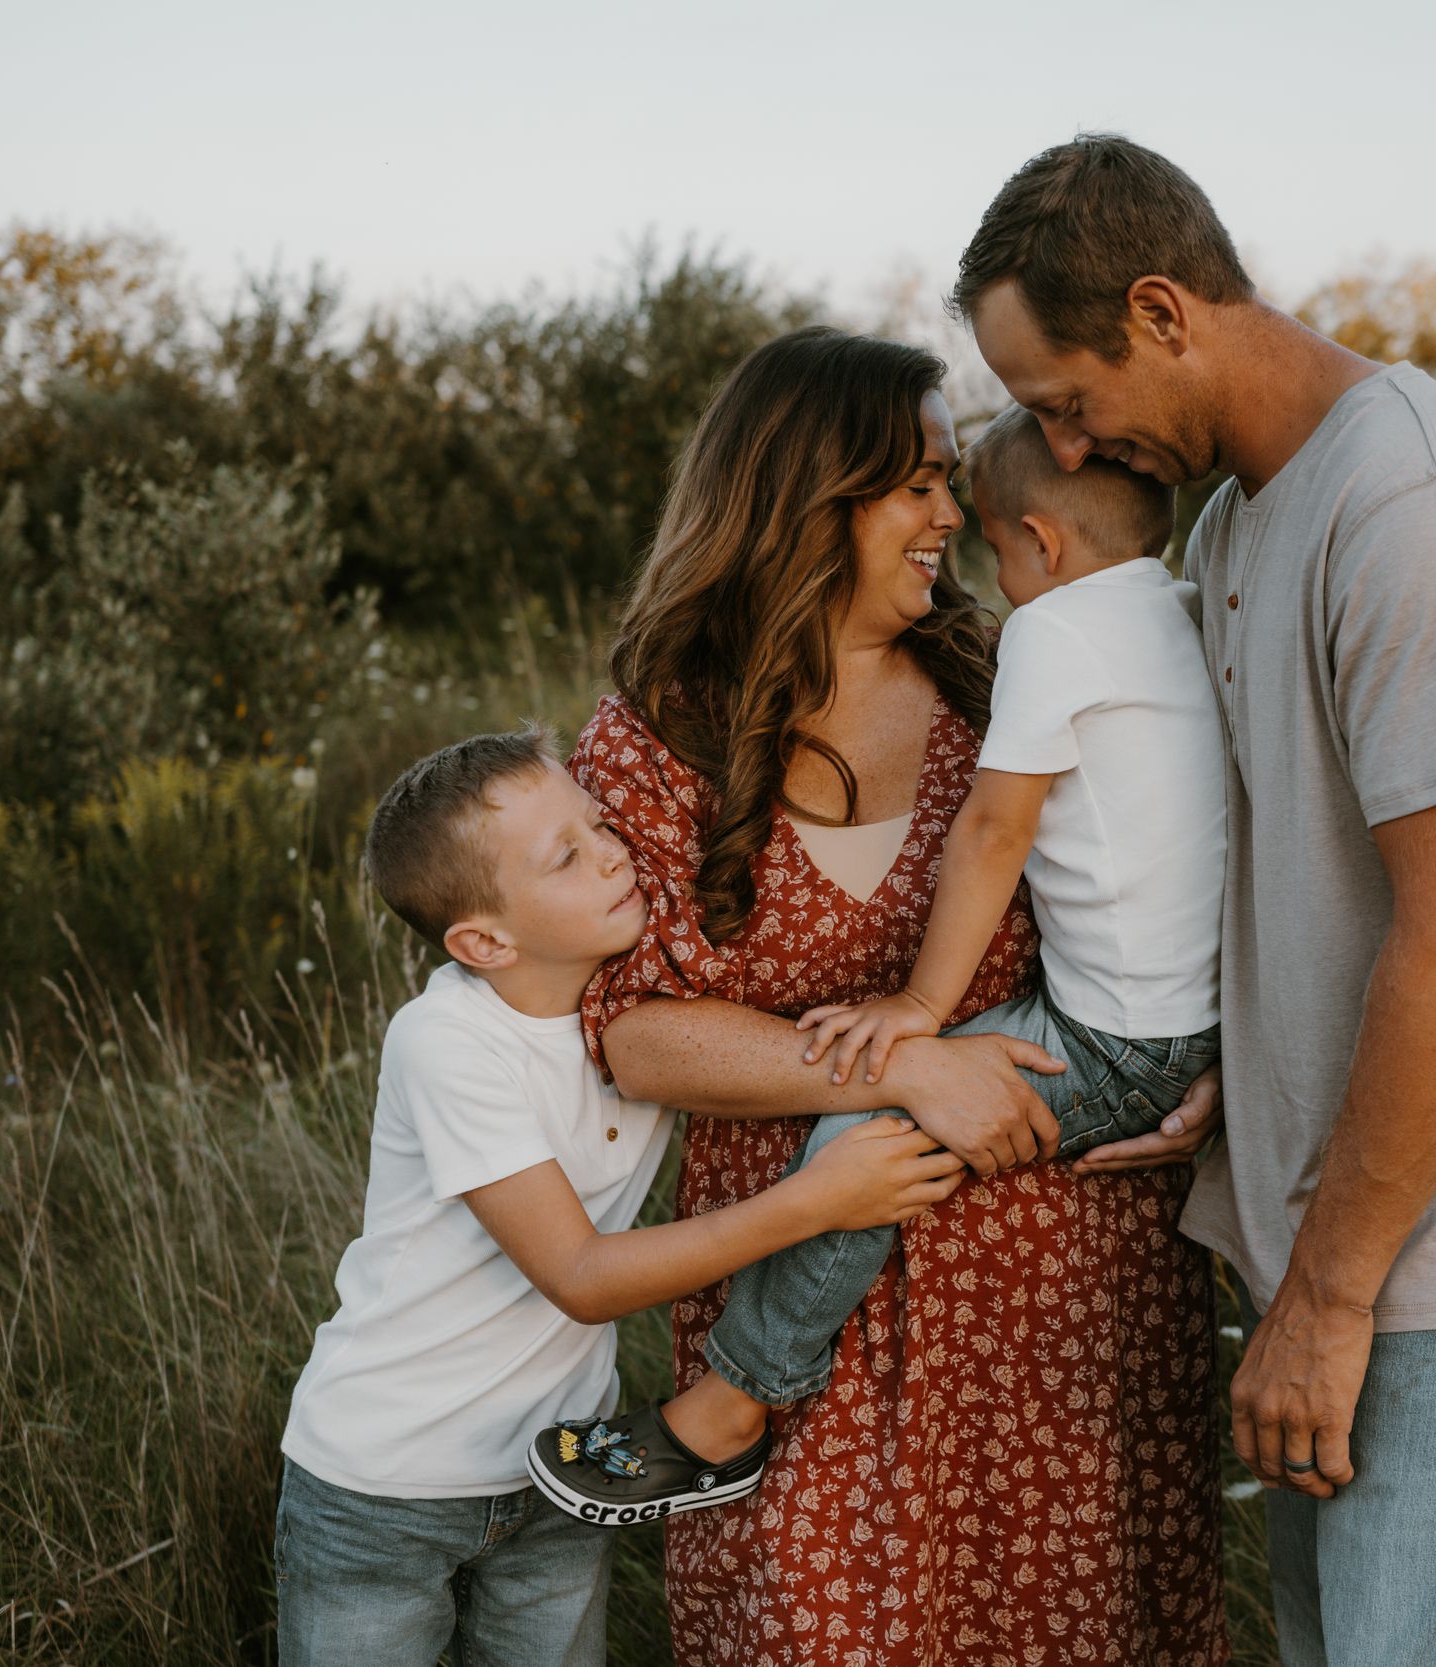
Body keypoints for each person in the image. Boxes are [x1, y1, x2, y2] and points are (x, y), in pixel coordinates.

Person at [957, 134, 1436, 1666]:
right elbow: (1297, 868)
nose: (1063, 458)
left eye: (1065, 405)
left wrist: (1330, 1299)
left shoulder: (1416, 506)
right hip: (1335, 1227)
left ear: (1163, 309)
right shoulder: (1236, 521)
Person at [561, 327, 1228, 1666]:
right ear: (811, 494)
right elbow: (633, 1031)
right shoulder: (663, 728)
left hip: (1058, 1303)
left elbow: (1197, 860)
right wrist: (901, 1067)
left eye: (948, 481)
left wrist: (1221, 1066)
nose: (948, 515)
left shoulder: (1014, 678)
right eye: (915, 482)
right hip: (798, 1277)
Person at [274, 727, 965, 1666]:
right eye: (568, 856)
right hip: (383, 1484)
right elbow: (583, 1275)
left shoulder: (635, 1012)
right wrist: (819, 1200)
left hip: (567, 1469)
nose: (612, 853)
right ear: (484, 940)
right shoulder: (444, 1040)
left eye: (599, 823)